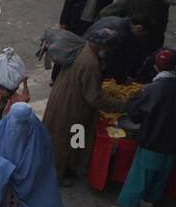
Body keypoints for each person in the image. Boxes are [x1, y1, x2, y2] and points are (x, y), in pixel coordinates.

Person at [110, 49, 176, 207]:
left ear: (155, 67)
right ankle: (148, 204)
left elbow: (134, 115)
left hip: (152, 140)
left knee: (140, 176)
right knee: (162, 174)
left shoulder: (148, 91)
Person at [41, 28, 129, 184]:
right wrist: (123, 106)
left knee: (72, 140)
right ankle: (58, 174)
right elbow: (95, 97)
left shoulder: (81, 48)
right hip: (73, 110)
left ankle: (71, 165)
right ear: (102, 46)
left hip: (65, 101)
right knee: (65, 142)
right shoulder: (90, 63)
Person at [100, 0, 170, 54]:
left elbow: (160, 32)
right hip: (124, 46)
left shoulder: (162, 7)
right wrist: (126, 27)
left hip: (145, 50)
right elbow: (105, 14)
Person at [87, 15, 152, 84]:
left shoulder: (114, 19)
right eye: (141, 35)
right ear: (139, 28)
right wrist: (121, 79)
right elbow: (112, 58)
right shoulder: (120, 33)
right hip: (90, 59)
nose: (139, 37)